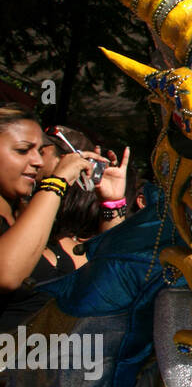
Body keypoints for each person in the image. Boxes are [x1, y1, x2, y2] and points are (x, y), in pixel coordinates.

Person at [0, 105, 129, 331]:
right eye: (23, 150)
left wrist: (111, 204)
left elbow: (114, 279)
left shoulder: (43, 227)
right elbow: (7, 274)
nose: (37, 161)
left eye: (40, 151)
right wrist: (57, 182)